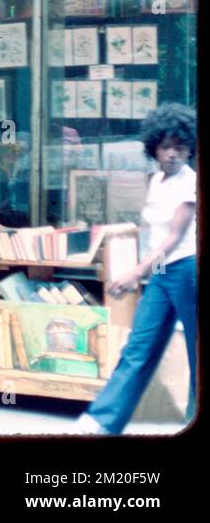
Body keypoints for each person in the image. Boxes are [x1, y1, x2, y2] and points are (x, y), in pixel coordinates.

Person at [77, 103, 197, 434]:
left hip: (187, 270)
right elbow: (152, 232)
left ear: (190, 148)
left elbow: (174, 237)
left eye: (181, 147)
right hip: (161, 274)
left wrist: (136, 272)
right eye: (166, 146)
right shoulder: (156, 180)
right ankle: (102, 421)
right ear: (154, 147)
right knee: (138, 348)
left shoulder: (190, 183)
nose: (173, 154)